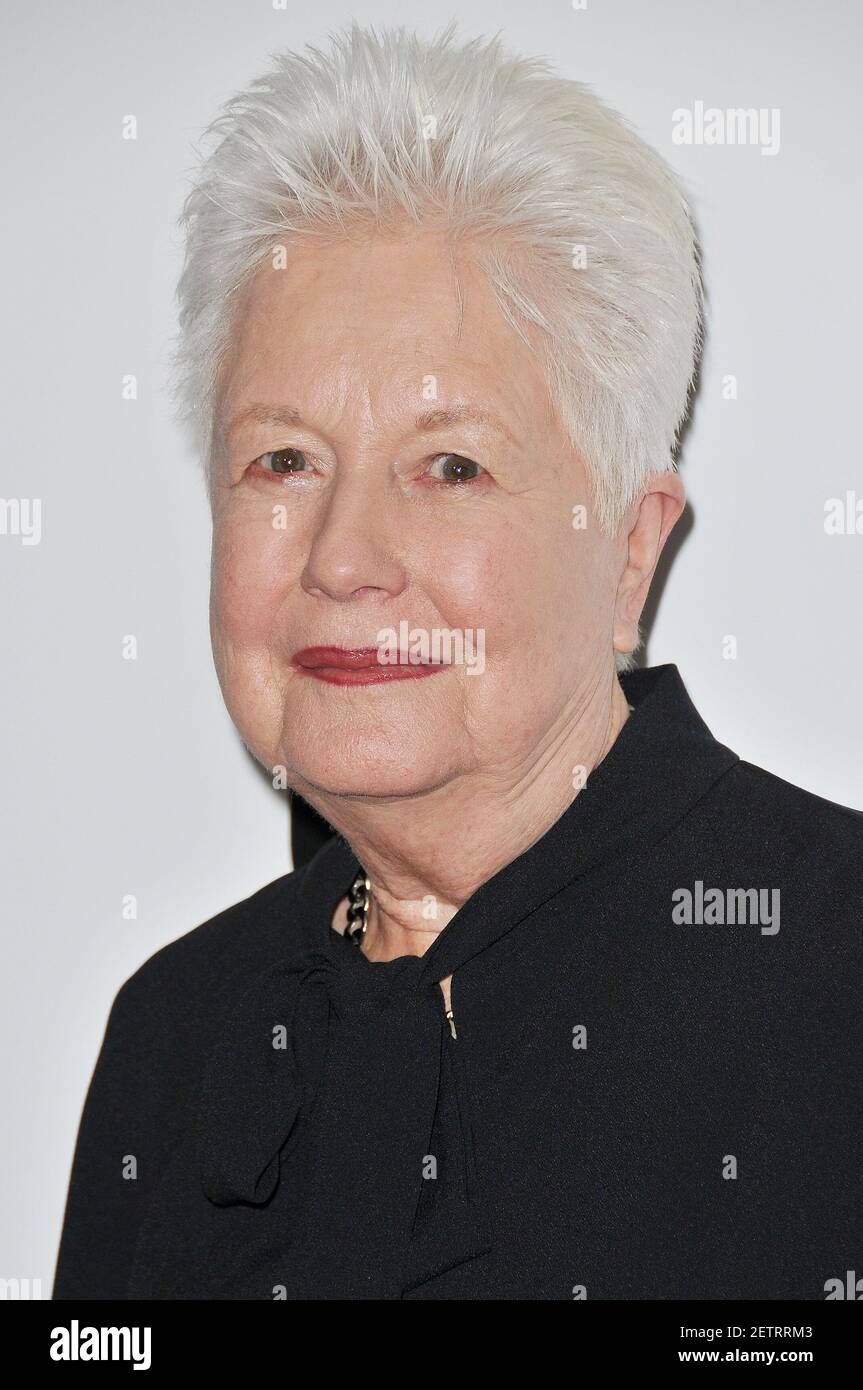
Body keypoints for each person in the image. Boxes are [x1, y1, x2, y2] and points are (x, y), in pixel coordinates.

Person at [53, 21, 862, 1300]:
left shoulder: (834, 973)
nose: (343, 557)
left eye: (450, 466)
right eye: (283, 460)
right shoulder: (178, 1031)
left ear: (630, 557)